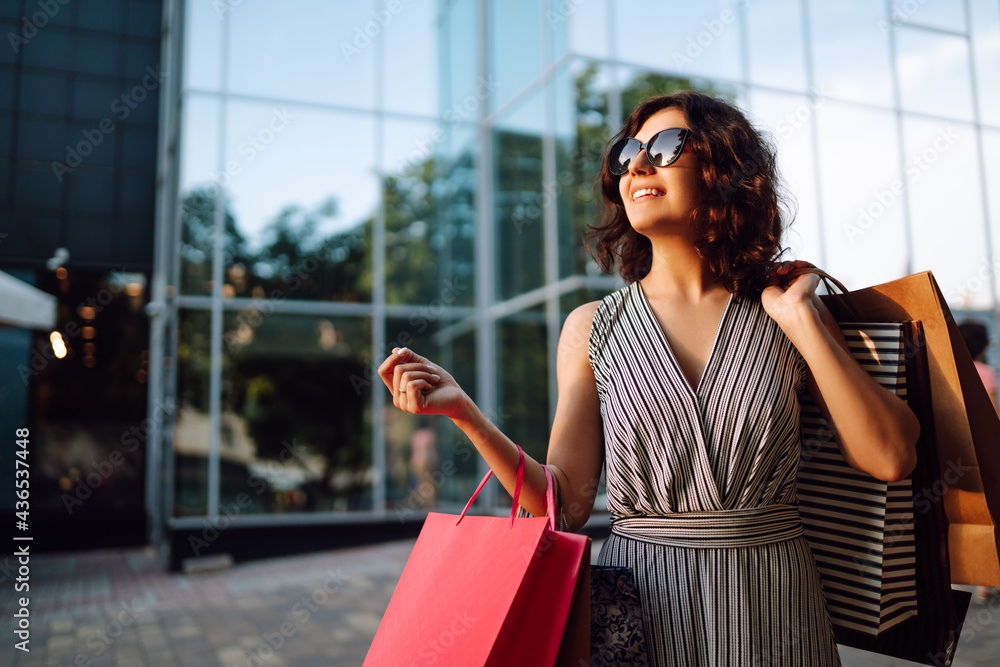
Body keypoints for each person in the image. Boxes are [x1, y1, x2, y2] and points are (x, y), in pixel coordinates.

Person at [376, 90, 920, 666]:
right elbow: (564, 506)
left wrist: (802, 322)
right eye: (628, 153)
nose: (636, 164)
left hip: (777, 605)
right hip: (643, 610)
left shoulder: (787, 308)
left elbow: (890, 457)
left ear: (725, 167)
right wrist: (465, 411)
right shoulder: (593, 327)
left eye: (665, 146)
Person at [958, 319, 999, 602]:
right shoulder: (986, 372)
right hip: (983, 452)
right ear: (983, 345)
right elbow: (993, 414)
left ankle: (957, 575)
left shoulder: (953, 369)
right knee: (989, 516)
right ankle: (986, 585)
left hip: (954, 450)